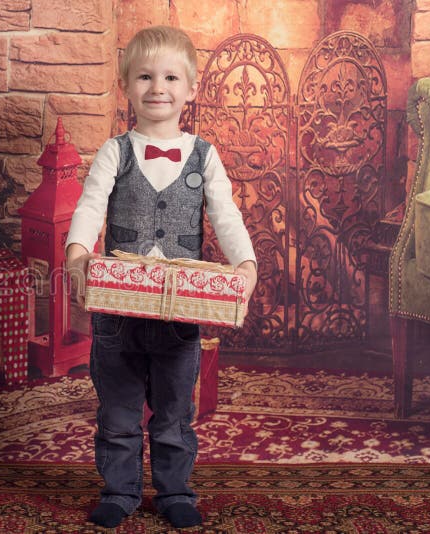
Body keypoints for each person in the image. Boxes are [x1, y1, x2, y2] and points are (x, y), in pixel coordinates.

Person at [65, 26, 257, 529]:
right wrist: (78, 250)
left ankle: (175, 493)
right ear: (126, 85)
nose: (158, 87)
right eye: (145, 76)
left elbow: (226, 215)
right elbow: (89, 204)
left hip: (179, 317)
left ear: (190, 88)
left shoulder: (203, 155)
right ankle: (120, 491)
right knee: (119, 411)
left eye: (171, 77)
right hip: (117, 315)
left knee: (174, 412)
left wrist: (246, 264)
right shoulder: (115, 151)